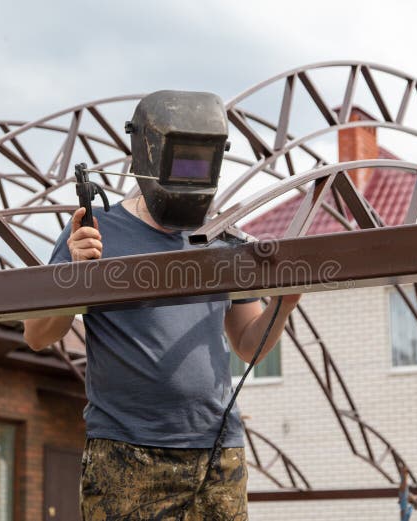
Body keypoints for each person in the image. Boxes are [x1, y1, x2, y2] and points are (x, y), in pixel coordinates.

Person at [23, 195, 300, 520]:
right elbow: (37, 335)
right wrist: (76, 273)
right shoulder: (94, 230)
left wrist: (284, 304)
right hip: (128, 449)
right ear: (143, 153)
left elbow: (248, 343)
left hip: (218, 452)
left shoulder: (221, 236)